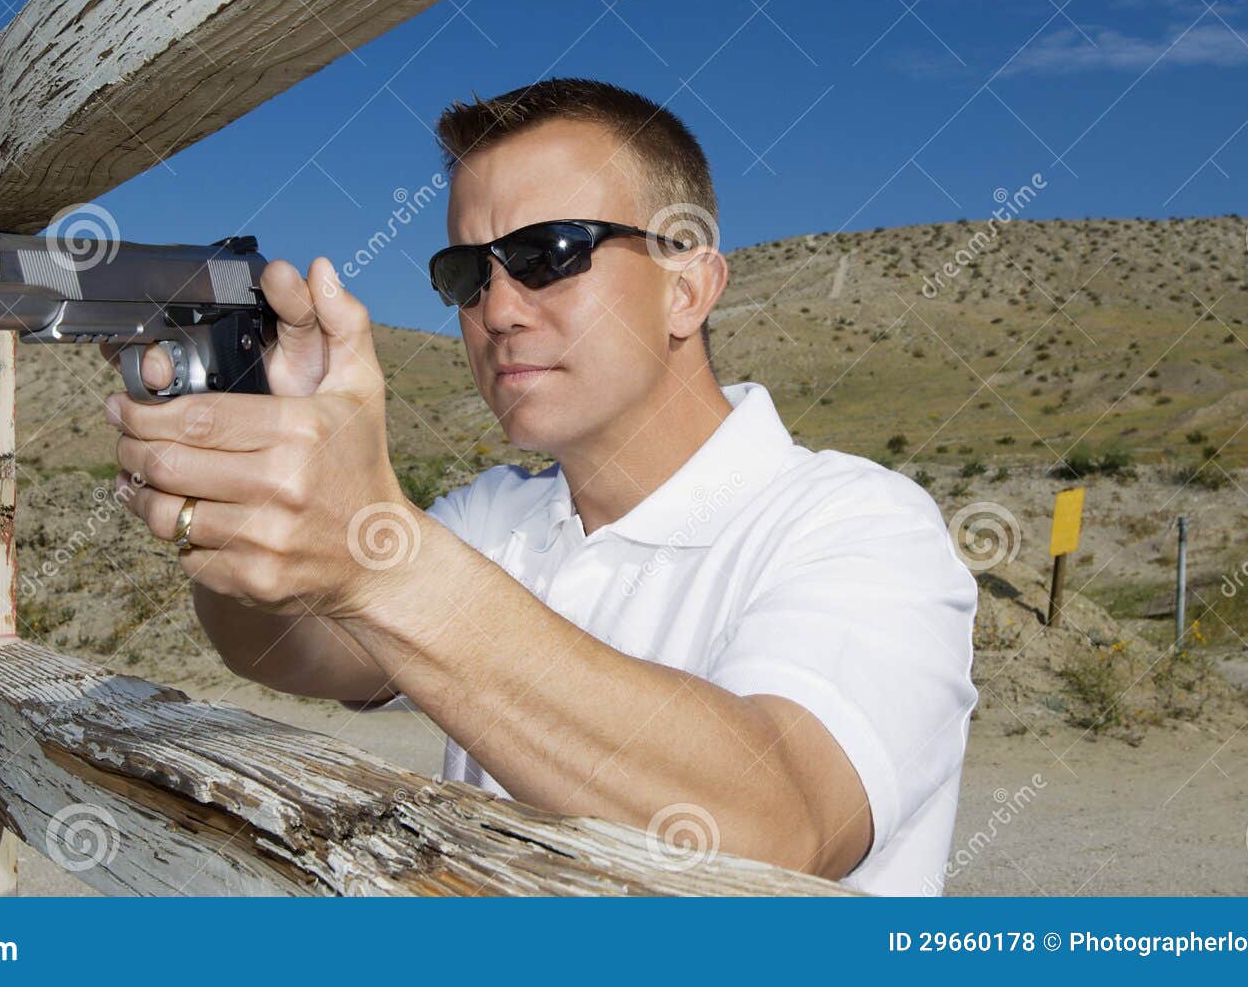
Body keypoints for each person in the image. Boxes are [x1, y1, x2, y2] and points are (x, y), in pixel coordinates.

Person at [102, 78, 978, 893]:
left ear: (689, 286)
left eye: (548, 253)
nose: (498, 308)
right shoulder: (497, 518)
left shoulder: (864, 525)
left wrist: (385, 565)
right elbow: (287, 650)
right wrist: (244, 488)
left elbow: (770, 832)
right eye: (468, 273)